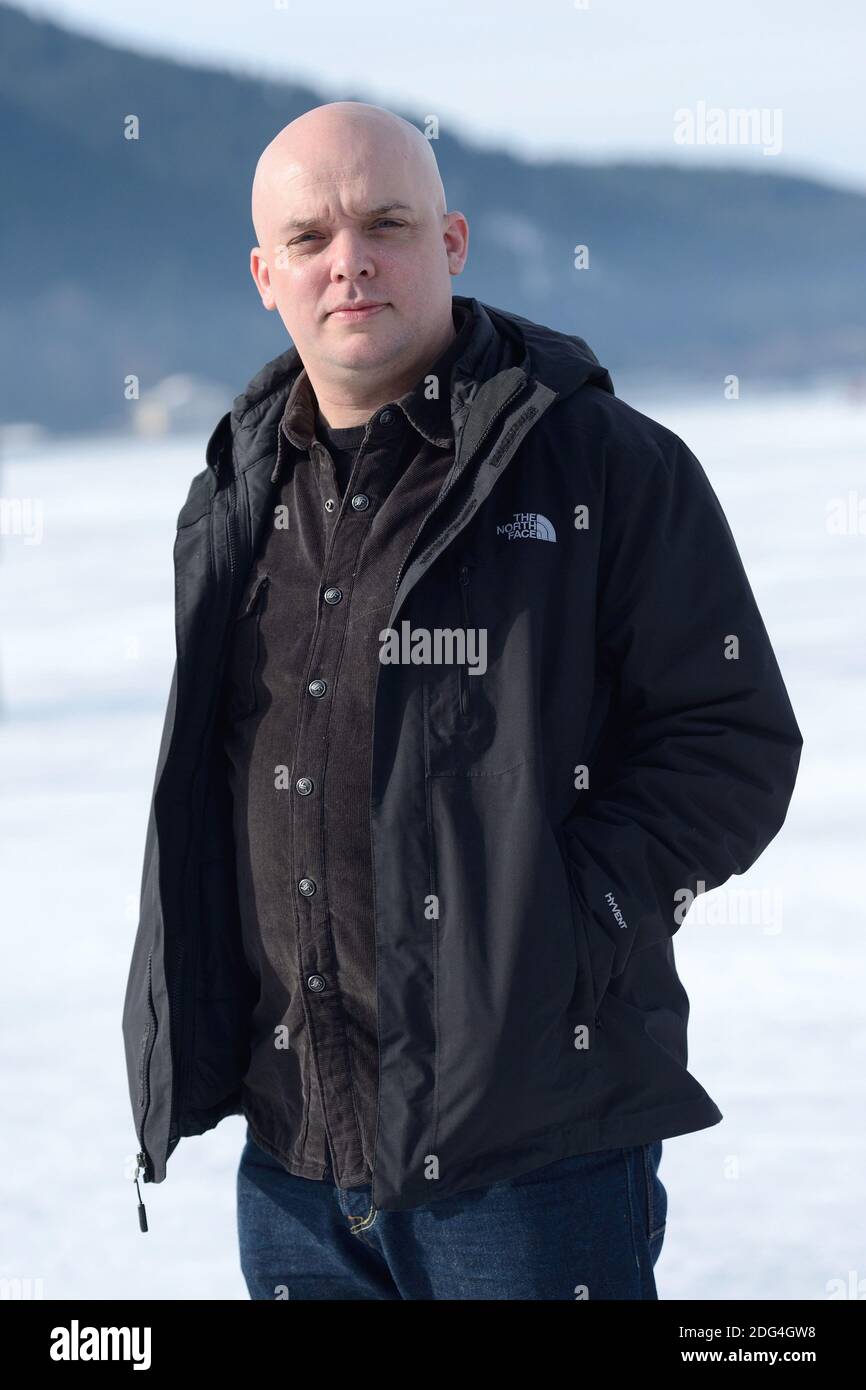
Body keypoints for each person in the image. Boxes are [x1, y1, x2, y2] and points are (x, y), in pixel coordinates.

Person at [121, 101, 803, 1300]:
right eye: (311, 236)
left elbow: (729, 735)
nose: (351, 261)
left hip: (529, 1148)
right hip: (293, 1156)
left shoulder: (601, 461)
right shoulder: (234, 488)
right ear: (263, 272)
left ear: (451, 242)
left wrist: (568, 919)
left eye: (388, 222)